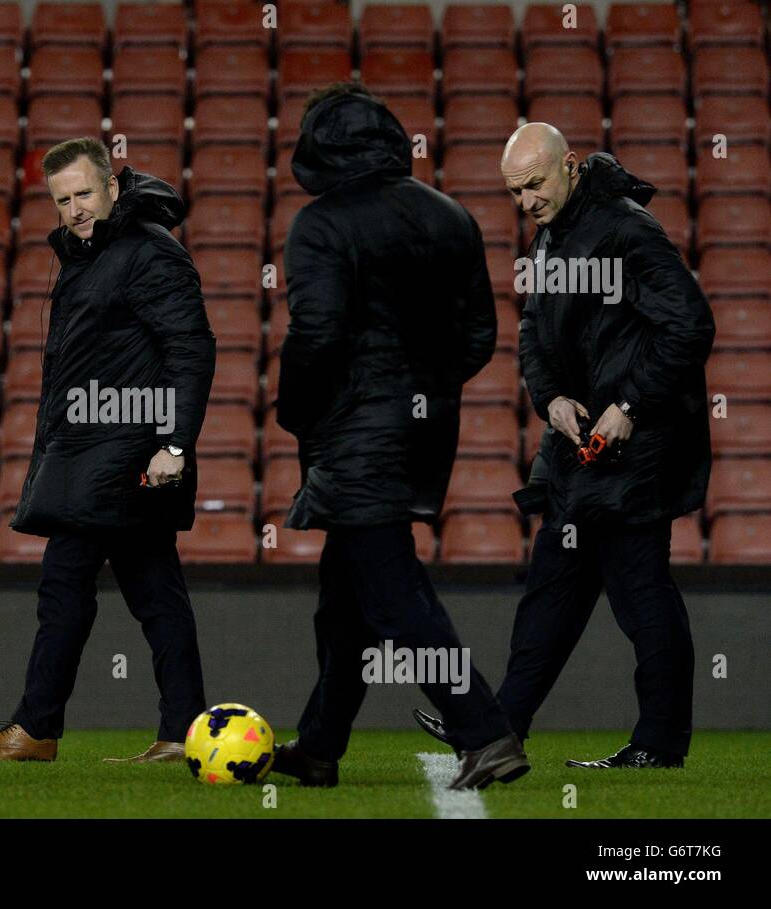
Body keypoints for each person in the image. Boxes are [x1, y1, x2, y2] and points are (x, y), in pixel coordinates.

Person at [415, 123, 714, 769]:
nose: (524, 201)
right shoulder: (552, 235)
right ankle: (500, 726)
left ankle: (658, 744)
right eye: (514, 191)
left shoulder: (626, 229)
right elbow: (532, 332)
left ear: (569, 166)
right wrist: (548, 397)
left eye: (534, 184)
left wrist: (630, 405)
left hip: (636, 450)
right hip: (581, 452)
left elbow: (692, 324)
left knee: (639, 591)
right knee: (554, 586)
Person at [269, 83, 528, 790]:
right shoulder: (452, 216)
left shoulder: (319, 225)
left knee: (390, 590)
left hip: (356, 432)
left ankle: (486, 731)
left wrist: (296, 409)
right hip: (426, 430)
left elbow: (315, 334)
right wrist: (427, 387)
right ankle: (320, 744)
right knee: (346, 595)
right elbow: (481, 334)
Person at [0, 138, 216, 764]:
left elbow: (193, 350)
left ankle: (35, 730)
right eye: (62, 199)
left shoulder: (149, 253)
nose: (74, 209)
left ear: (113, 187)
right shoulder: (91, 257)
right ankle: (182, 732)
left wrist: (174, 444)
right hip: (103, 453)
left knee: (65, 584)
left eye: (84, 193)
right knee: (156, 594)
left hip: (125, 455)